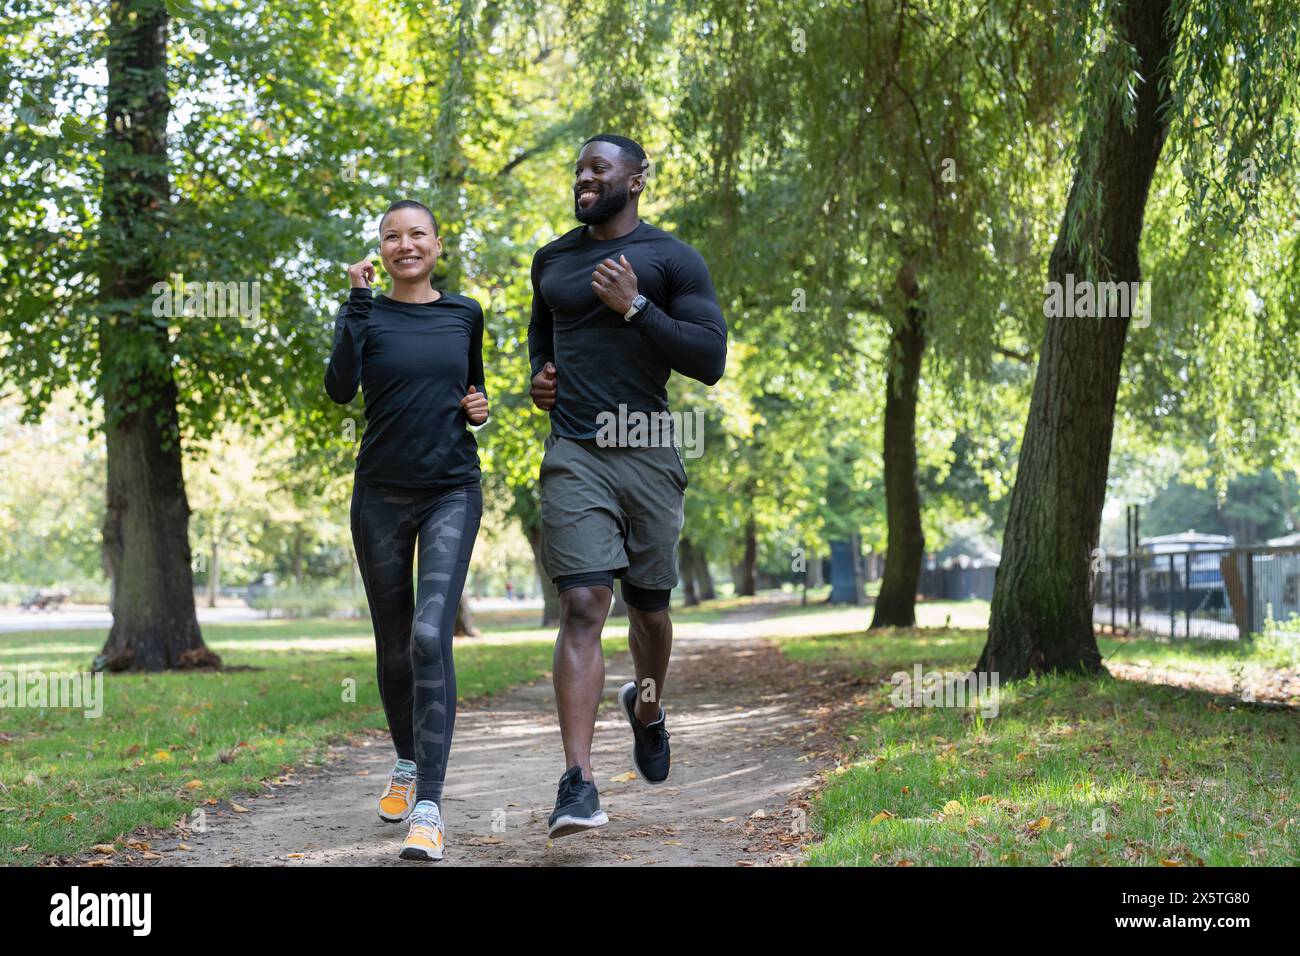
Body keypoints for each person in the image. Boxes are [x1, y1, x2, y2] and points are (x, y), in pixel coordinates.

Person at [527, 135, 727, 837]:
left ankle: (647, 707)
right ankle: (578, 783)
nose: (584, 179)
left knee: (648, 610)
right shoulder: (550, 261)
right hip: (575, 450)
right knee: (583, 602)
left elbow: (710, 359)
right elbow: (540, 342)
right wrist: (540, 380)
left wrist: (638, 308)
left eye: (598, 169)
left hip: (647, 450)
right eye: (579, 170)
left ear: (635, 181)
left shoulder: (672, 258)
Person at [325, 199, 489, 861]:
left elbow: (471, 389)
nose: (404, 244)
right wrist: (357, 305)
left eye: (416, 233)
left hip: (452, 487)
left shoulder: (465, 312)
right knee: (394, 644)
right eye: (392, 237)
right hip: (381, 497)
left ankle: (429, 804)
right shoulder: (364, 313)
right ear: (380, 252)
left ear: (436, 245)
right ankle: (402, 759)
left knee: (429, 635)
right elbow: (339, 387)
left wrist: (479, 406)